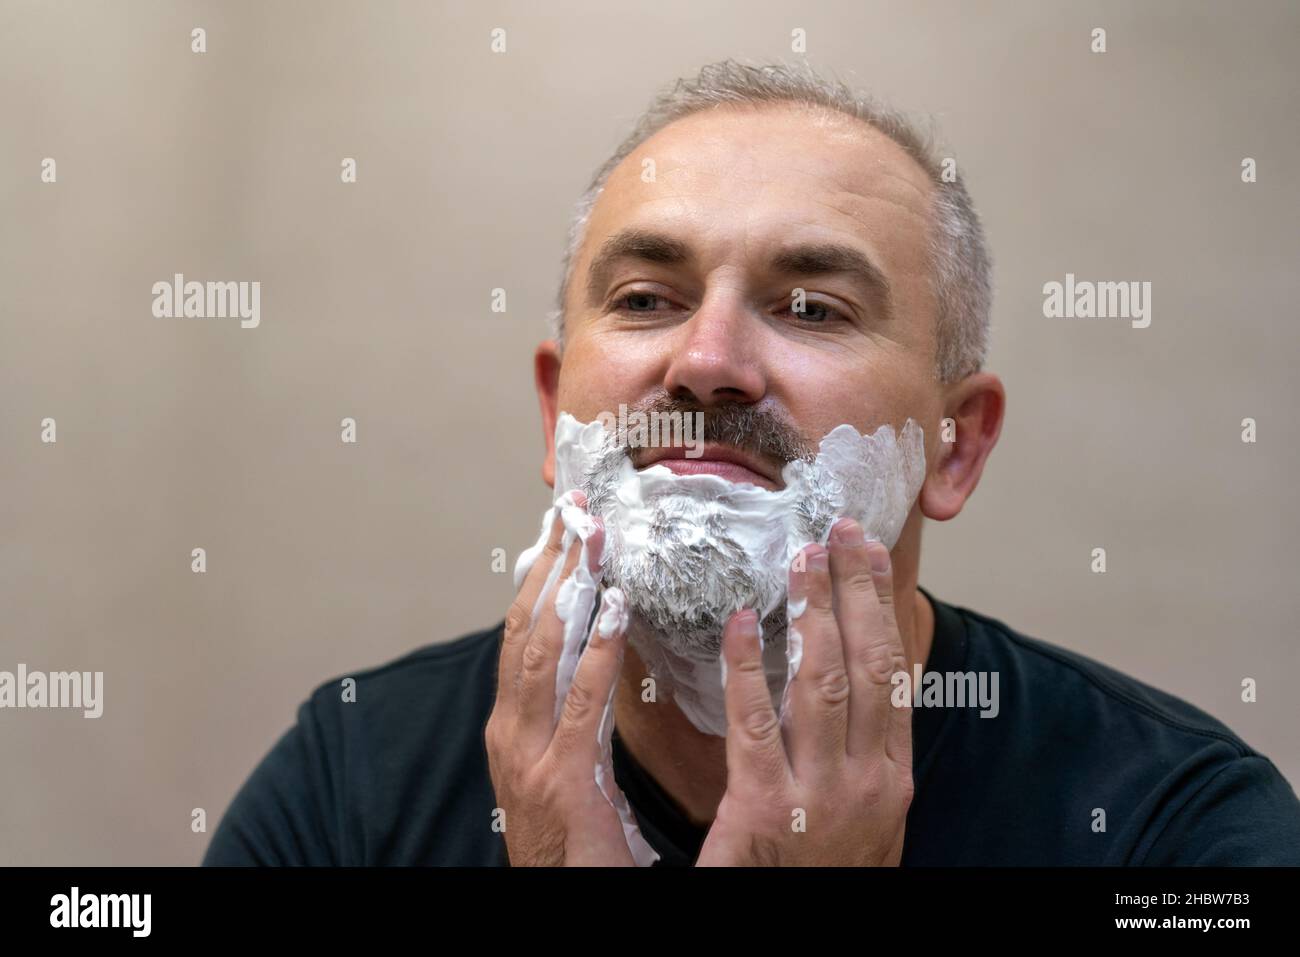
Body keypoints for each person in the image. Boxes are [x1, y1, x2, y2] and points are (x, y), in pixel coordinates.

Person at [203, 60, 1300, 866]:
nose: (707, 364)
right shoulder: (348, 788)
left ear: (954, 446)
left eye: (810, 307)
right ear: (553, 416)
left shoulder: (1175, 832)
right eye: (644, 300)